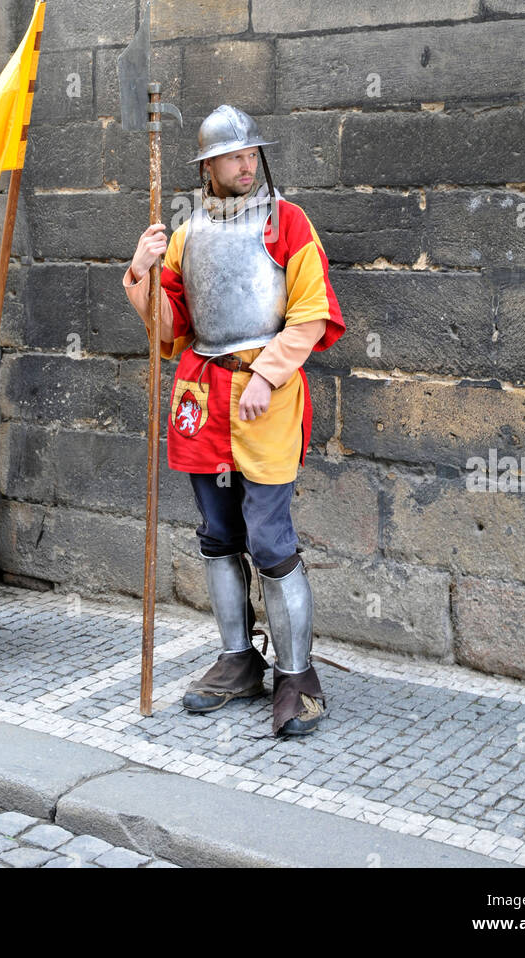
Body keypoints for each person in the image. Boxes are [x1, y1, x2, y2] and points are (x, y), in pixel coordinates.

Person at [123, 105, 345, 737]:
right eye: (233, 156)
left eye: (252, 154)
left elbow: (311, 312)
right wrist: (141, 270)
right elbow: (167, 331)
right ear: (208, 166)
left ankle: (298, 677)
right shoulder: (187, 233)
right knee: (218, 534)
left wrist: (269, 375)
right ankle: (238, 659)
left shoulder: (287, 223)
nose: (246, 164)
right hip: (201, 398)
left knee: (269, 535)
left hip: (263, 399)